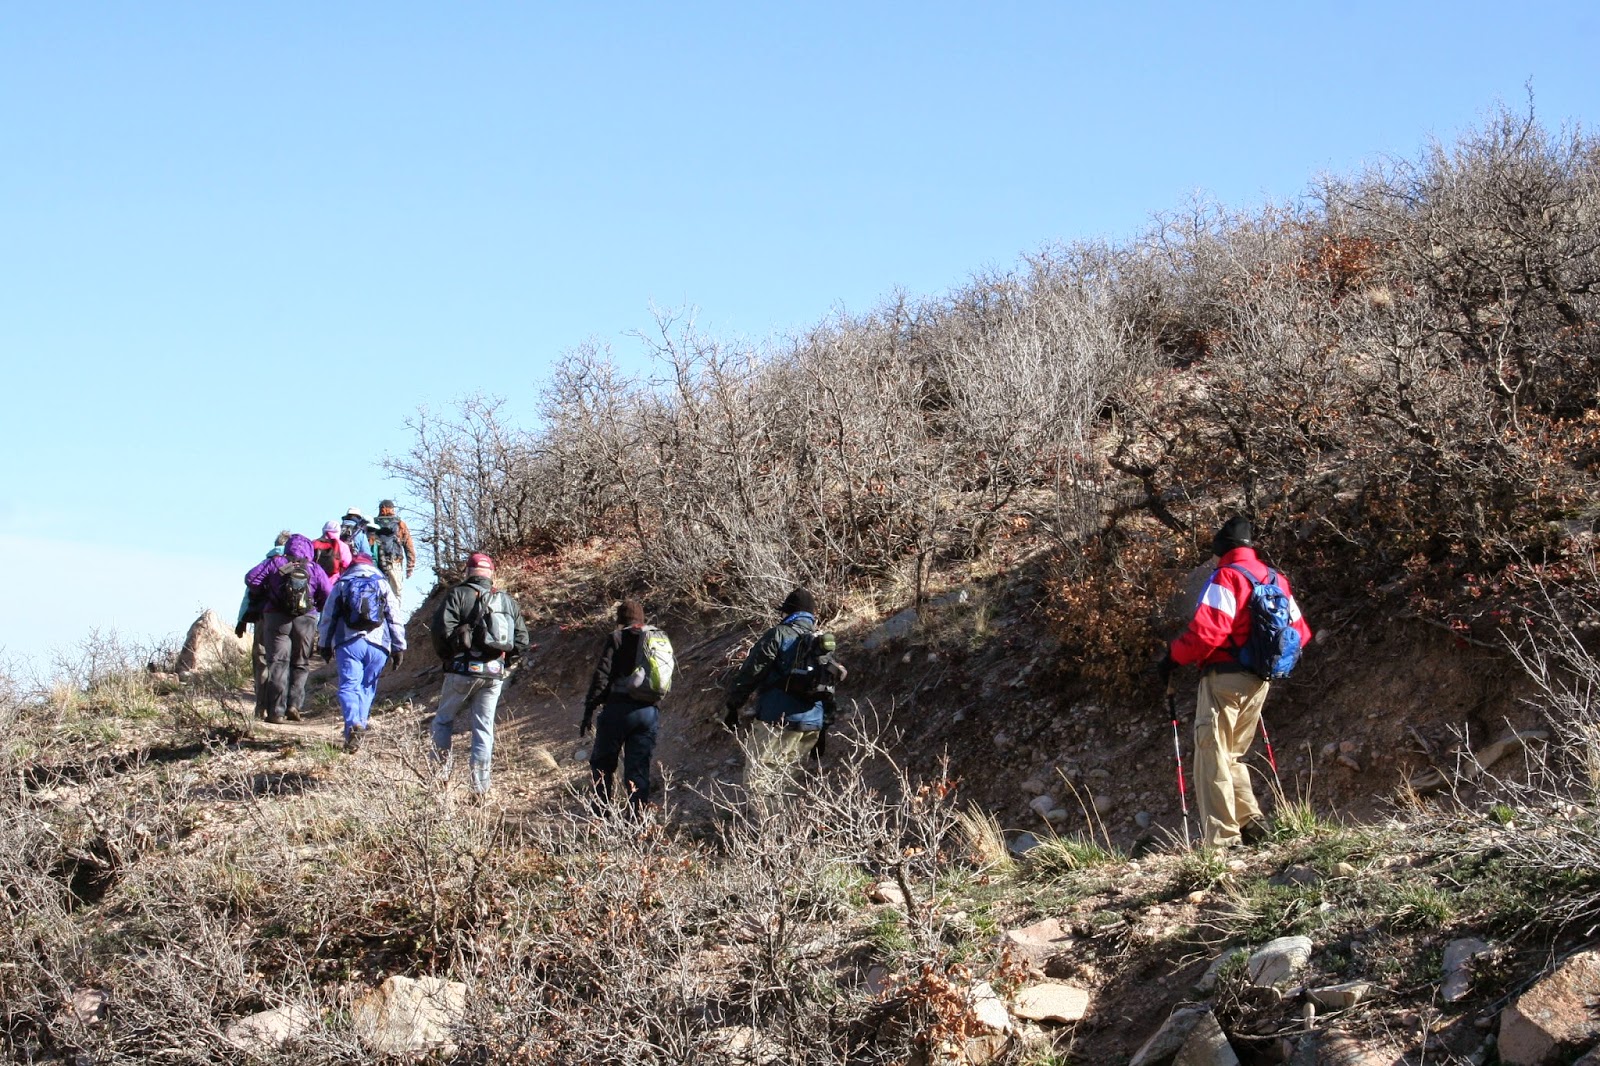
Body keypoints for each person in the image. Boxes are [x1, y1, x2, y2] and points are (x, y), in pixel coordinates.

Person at [1158, 517, 1313, 849]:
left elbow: (1207, 632)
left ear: (1221, 550)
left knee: (1211, 755)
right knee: (1232, 755)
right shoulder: (1276, 579)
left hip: (1224, 679)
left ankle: (1223, 841)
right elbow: (1301, 632)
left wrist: (1171, 657)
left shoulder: (1227, 576)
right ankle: (1251, 823)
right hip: (1261, 680)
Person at [723, 588, 842, 815]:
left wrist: (732, 706)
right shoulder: (821, 643)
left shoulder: (779, 635)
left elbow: (751, 672)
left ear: (788, 612)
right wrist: (824, 728)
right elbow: (829, 689)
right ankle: (787, 840)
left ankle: (766, 840)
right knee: (789, 784)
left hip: (777, 722)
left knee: (759, 779)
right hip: (811, 726)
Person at [429, 552, 529, 796]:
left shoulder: (457, 594)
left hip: (462, 671)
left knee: (443, 721)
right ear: (491, 574)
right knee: (483, 730)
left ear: (467, 572)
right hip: (494, 674)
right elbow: (522, 640)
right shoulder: (506, 601)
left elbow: (440, 631)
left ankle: (440, 780)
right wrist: (504, 661)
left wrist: (449, 658)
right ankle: (480, 788)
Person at [317, 552, 407, 752]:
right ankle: (360, 726)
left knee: (349, 686)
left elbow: (328, 617)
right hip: (379, 646)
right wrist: (399, 646)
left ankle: (353, 725)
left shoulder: (342, 584)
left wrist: (324, 644)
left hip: (349, 642)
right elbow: (395, 616)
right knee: (367, 687)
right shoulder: (382, 583)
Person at [582, 600, 666, 812]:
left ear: (620, 620)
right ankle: (637, 821)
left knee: (602, 764)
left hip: (618, 710)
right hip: (648, 712)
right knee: (638, 770)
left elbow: (602, 675)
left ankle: (601, 815)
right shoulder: (656, 637)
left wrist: (589, 709)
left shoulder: (617, 637)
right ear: (642, 619)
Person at [245, 534, 334, 724]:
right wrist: (315, 606)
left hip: (276, 617)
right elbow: (328, 593)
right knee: (300, 662)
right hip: (306, 619)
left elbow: (251, 579)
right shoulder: (314, 568)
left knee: (278, 662)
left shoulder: (276, 563)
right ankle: (294, 705)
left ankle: (276, 711)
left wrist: (267, 592)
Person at [237, 531, 292, 717]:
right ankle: (280, 707)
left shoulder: (265, 564)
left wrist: (242, 620)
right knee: (283, 661)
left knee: (262, 660)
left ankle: (261, 707)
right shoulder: (297, 564)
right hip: (289, 619)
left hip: (263, 618)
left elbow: (249, 592)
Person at [372, 500, 417, 608]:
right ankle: (395, 620)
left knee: (377, 593)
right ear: (392, 509)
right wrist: (410, 566)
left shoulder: (373, 524)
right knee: (396, 594)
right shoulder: (400, 524)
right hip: (394, 563)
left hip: (376, 564)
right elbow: (408, 545)